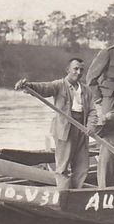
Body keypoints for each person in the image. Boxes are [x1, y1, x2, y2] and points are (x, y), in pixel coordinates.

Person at [14, 57, 96, 190]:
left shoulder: (86, 90)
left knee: (82, 167)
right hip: (64, 129)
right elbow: (44, 88)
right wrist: (29, 86)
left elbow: (92, 110)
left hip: (82, 129)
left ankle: (76, 193)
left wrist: (91, 126)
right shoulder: (59, 85)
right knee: (63, 166)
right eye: (75, 69)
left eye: (81, 70)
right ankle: (64, 193)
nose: (78, 72)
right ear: (68, 70)